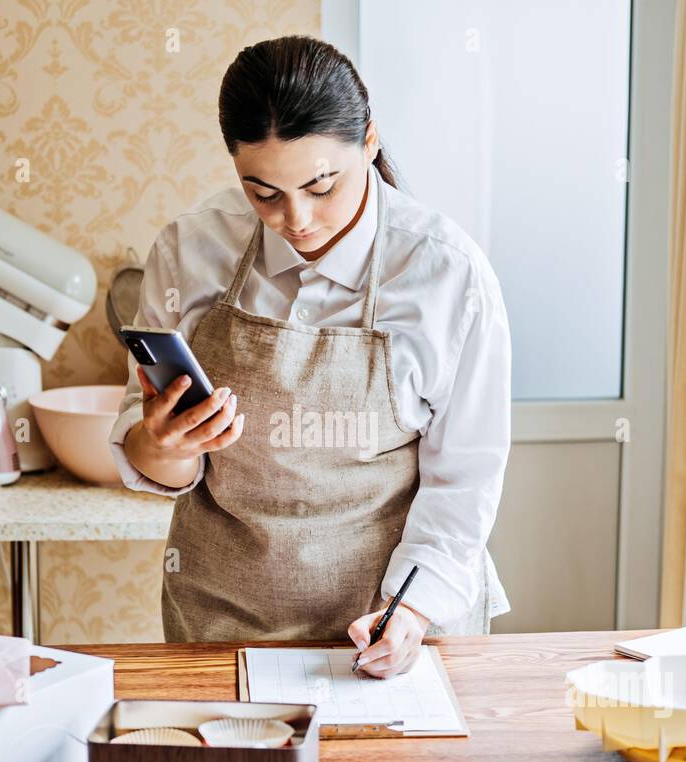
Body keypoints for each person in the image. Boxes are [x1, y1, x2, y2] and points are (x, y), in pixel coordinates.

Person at [109, 35, 511, 677]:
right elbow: (153, 458)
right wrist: (161, 445)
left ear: (370, 142)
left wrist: (411, 611)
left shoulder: (445, 273)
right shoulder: (190, 251)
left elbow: (465, 477)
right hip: (222, 620)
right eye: (263, 193)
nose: (295, 219)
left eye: (322, 185)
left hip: (394, 622)